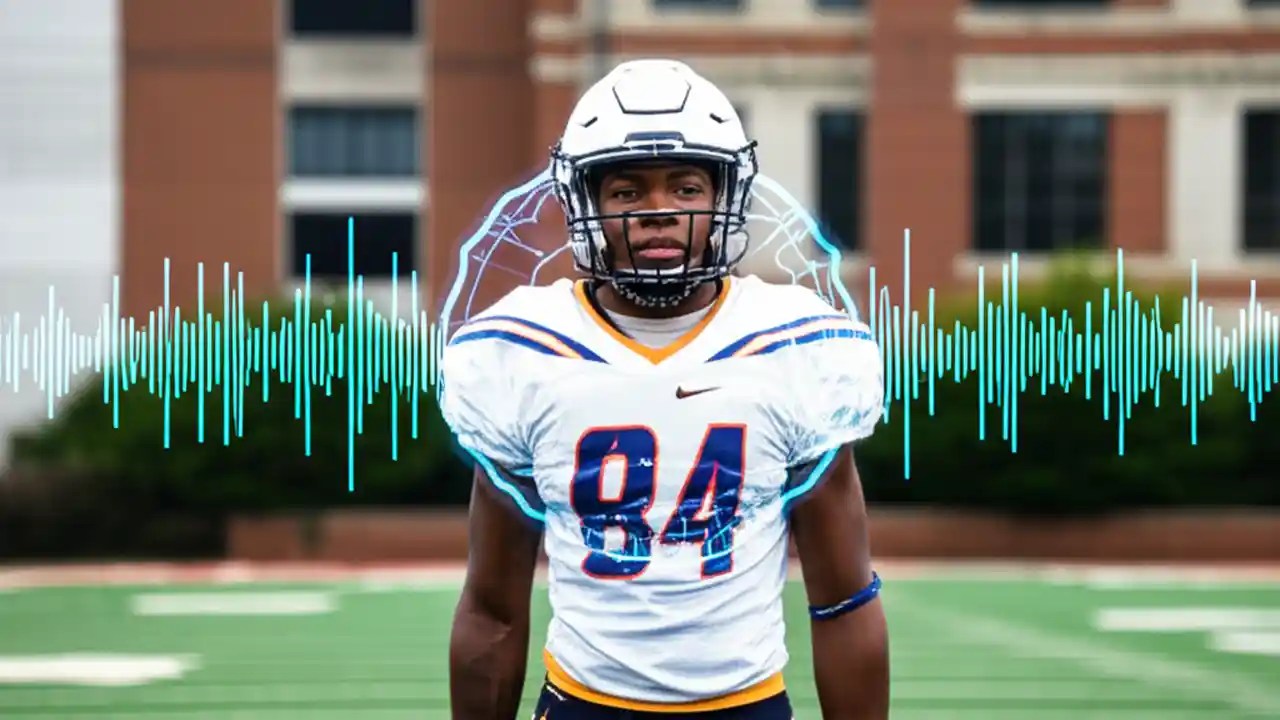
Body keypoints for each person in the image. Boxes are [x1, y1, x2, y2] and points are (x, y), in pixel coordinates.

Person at [441, 58, 889, 719]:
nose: (658, 212)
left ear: (726, 195)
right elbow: (494, 609)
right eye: (626, 191)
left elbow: (843, 598)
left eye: (684, 188)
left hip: (746, 704)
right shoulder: (524, 350)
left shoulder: (794, 345)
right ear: (584, 203)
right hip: (583, 704)